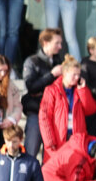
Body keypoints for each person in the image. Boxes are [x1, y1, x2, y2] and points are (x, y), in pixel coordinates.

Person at [37, 56, 96, 164]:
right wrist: (49, 142)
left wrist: (83, 91)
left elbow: (91, 110)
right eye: (74, 74)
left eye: (79, 75)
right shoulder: (51, 90)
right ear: (65, 73)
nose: (77, 77)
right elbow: (44, 117)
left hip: (76, 139)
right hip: (58, 139)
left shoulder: (79, 89)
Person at [21, 28, 65, 156]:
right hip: (37, 110)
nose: (60, 47)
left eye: (60, 43)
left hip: (54, 113)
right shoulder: (32, 61)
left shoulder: (59, 61)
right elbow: (31, 87)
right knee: (31, 150)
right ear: (45, 42)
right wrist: (52, 75)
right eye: (57, 43)